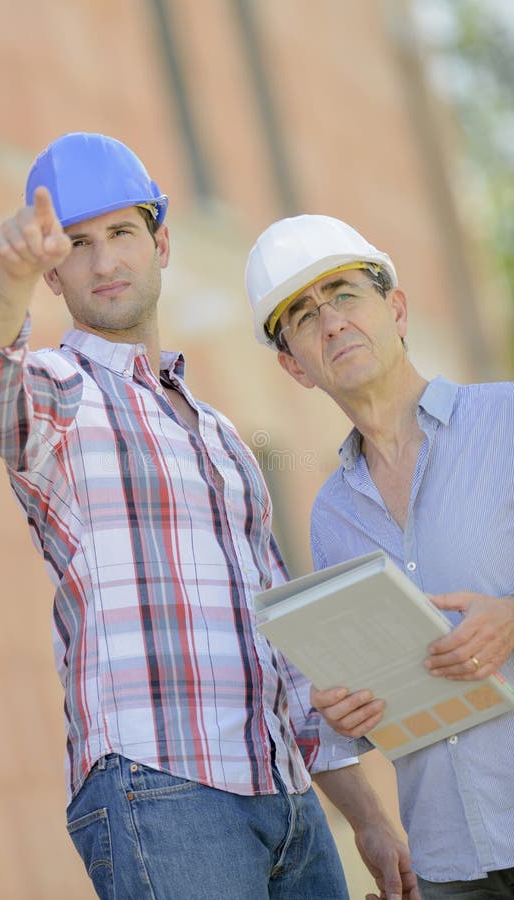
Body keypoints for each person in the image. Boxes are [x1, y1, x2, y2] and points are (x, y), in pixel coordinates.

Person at [0, 133, 419, 900]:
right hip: (160, 787)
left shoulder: (219, 437)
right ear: (52, 275)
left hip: (283, 797)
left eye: (121, 233)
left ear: (160, 243)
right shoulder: (58, 397)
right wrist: (7, 273)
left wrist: (366, 818)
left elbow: (285, 648)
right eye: (76, 245)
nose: (103, 262)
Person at [245, 213, 514, 900]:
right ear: (292, 366)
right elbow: (364, 696)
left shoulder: (505, 421)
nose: (330, 323)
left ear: (394, 309)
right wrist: (342, 717)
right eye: (302, 317)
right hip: (449, 861)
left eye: (343, 294)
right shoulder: (330, 516)